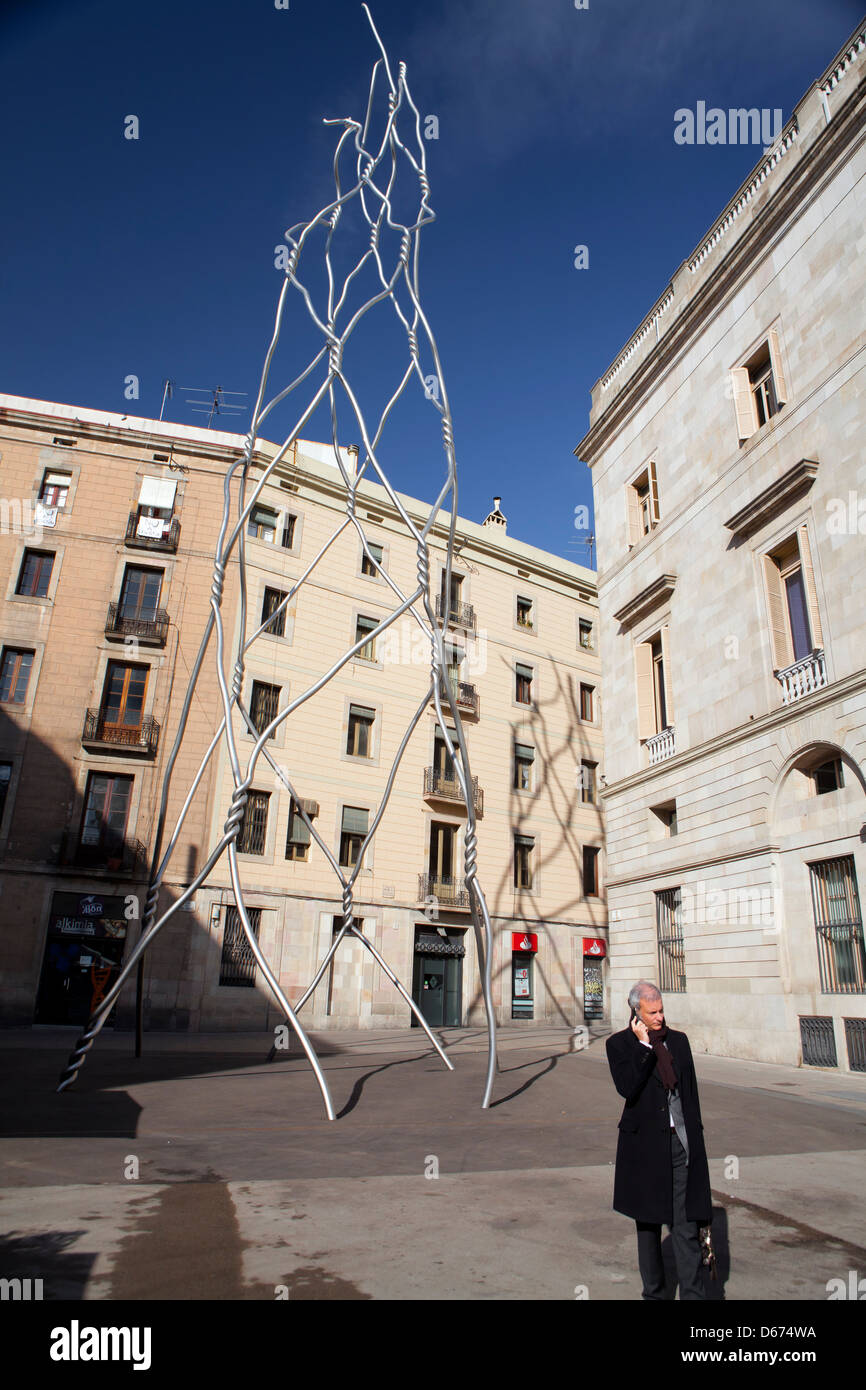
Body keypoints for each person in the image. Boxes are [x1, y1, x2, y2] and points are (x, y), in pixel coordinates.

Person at [605, 980, 712, 1300]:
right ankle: (654, 1294)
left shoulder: (678, 1041)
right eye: (652, 1013)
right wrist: (644, 1047)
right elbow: (628, 1087)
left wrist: (695, 1138)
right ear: (635, 1013)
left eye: (661, 1010)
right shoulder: (619, 1045)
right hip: (645, 1149)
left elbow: (690, 1092)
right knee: (649, 1227)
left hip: (679, 1144)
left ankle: (694, 1295)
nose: (659, 1017)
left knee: (685, 1226)